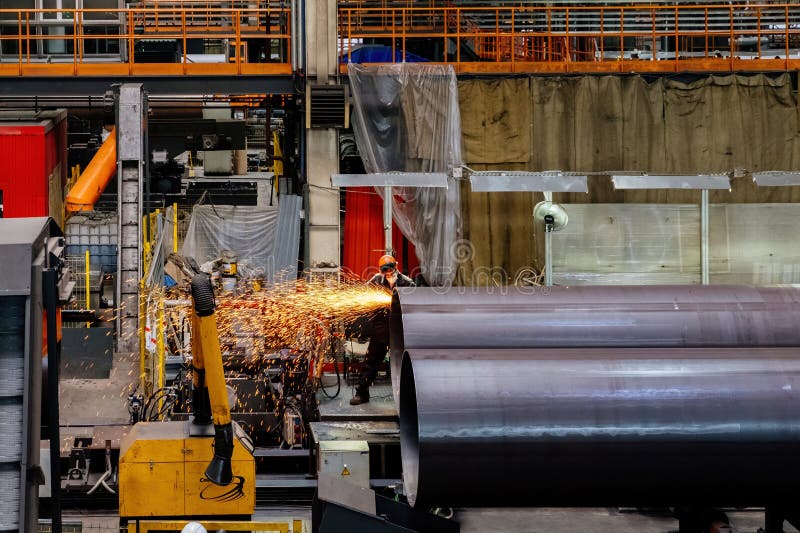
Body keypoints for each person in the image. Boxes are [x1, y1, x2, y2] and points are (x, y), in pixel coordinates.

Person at [350, 254, 415, 405]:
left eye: (389, 269)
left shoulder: (407, 282)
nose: (387, 272)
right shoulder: (376, 280)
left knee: (404, 362)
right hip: (381, 326)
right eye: (384, 270)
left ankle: (409, 397)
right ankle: (362, 393)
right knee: (371, 360)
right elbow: (364, 294)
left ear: (396, 266)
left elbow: (412, 304)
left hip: (400, 326)